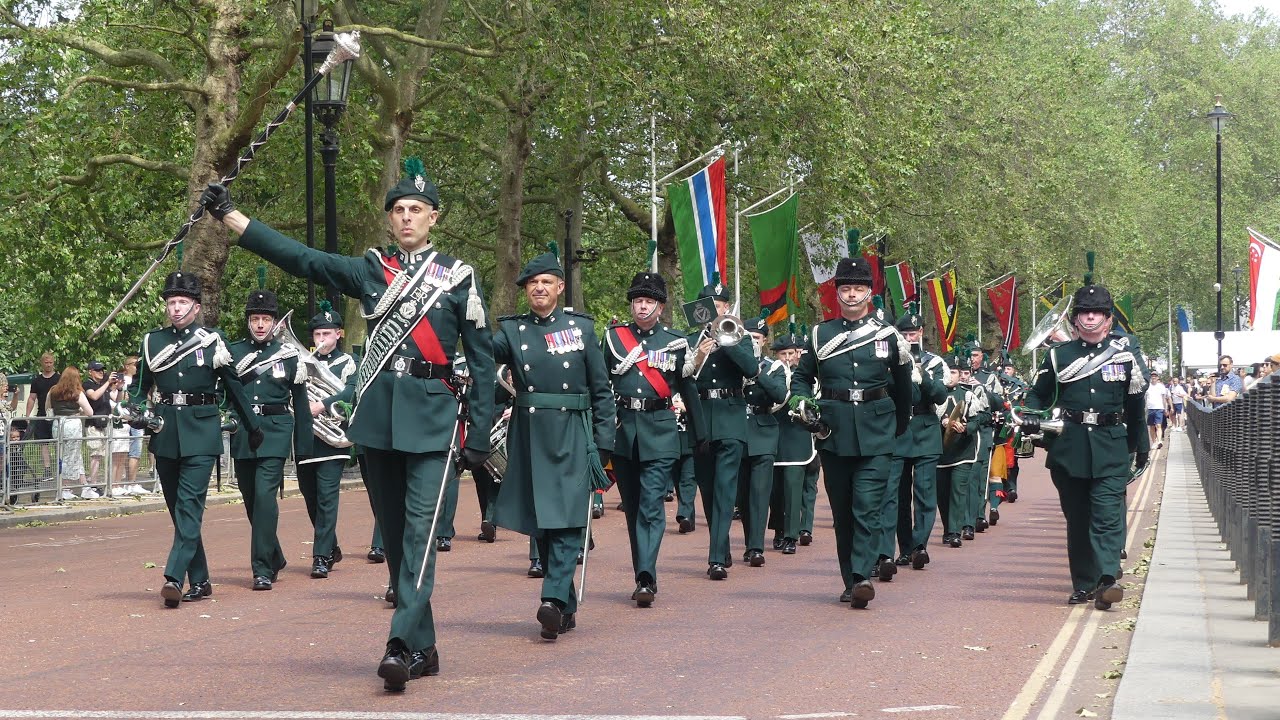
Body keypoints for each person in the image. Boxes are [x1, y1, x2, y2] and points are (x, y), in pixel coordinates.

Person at [200, 158, 495, 693]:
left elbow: (479, 360)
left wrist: (479, 429)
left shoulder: (458, 277)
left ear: (434, 217)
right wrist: (232, 219)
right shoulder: (370, 271)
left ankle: (400, 645)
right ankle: (425, 646)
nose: (406, 218)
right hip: (378, 420)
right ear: (390, 220)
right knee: (397, 534)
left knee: (422, 532)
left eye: (416, 210)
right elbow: (303, 259)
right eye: (398, 211)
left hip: (432, 420)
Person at [490, 248, 615, 639]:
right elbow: (481, 360)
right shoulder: (511, 330)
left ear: (560, 287)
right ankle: (565, 605)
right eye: (532, 283)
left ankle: (552, 599)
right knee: (541, 522)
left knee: (564, 519)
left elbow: (601, 389)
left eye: (546, 282)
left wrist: (604, 440)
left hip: (572, 433)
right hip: (528, 433)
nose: (539, 289)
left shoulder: (582, 329)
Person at [132, 271, 262, 608]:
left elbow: (234, 386)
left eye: (182, 302)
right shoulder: (152, 342)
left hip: (203, 433)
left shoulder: (212, 340)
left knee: (189, 506)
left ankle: (175, 576)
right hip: (166, 433)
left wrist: (250, 424)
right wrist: (133, 408)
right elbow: (140, 387)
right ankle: (201, 580)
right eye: (171, 302)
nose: (175, 308)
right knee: (179, 512)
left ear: (196, 306)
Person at [789, 257, 913, 608]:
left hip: (877, 430)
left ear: (870, 293)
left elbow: (904, 388)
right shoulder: (820, 334)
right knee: (843, 511)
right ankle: (849, 579)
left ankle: (862, 576)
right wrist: (800, 400)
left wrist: (898, 426)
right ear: (837, 292)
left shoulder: (887, 335)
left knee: (867, 508)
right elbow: (802, 376)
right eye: (846, 288)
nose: (852, 294)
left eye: (859, 288)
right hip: (834, 430)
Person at [1023, 280, 1148, 609]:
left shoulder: (1124, 355)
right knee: (1078, 520)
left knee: (1107, 515)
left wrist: (1138, 446)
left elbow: (1136, 404)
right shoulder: (1058, 355)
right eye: (1084, 312)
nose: (1090, 318)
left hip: (1111, 444)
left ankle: (1108, 577)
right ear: (1075, 319)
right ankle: (1084, 583)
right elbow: (1038, 393)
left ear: (1108, 319)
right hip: (1070, 447)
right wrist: (1031, 414)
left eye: (1097, 312)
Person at [602, 271, 704, 607]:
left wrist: (701, 434)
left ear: (660, 307)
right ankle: (642, 571)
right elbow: (601, 385)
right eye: (637, 300)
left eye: (648, 301)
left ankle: (646, 575)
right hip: (624, 432)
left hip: (660, 430)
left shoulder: (675, 342)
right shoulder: (614, 339)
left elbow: (688, 388)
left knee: (650, 505)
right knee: (633, 508)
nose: (642, 306)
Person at [227, 288, 312, 591]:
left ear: (274, 323)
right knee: (251, 501)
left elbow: (300, 404)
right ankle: (274, 555)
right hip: (243, 434)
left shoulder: (289, 357)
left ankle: (261, 569)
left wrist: (303, 445)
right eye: (255, 318)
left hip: (275, 431)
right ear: (248, 321)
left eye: (265, 319)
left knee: (265, 498)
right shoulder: (233, 352)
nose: (260, 324)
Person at [685, 278, 759, 581]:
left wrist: (726, 342)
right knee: (707, 486)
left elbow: (752, 369)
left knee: (726, 488)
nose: (715, 311)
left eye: (719, 306)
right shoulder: (690, 340)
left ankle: (715, 557)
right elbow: (684, 377)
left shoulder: (739, 337)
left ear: (726, 308)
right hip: (701, 416)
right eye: (709, 307)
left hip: (730, 417)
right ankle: (723, 544)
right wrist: (700, 353)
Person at [881, 307, 949, 573]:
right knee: (893, 495)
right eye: (905, 333)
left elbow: (940, 396)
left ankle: (919, 546)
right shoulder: (889, 360)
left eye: (914, 332)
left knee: (924, 493)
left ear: (921, 333)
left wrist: (923, 378)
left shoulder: (934, 362)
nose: (910, 337)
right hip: (898, 429)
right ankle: (891, 551)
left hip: (925, 429)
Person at [296, 301, 357, 580]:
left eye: (327, 334)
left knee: (327, 500)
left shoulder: (348, 363)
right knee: (310, 499)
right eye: (318, 335)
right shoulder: (303, 363)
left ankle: (320, 558)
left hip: (333, 438)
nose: (321, 340)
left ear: (338, 335)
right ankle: (331, 547)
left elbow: (353, 391)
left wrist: (324, 403)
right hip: (307, 438)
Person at [736, 316, 787, 568]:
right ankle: (749, 542)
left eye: (756, 338)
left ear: (764, 340)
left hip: (764, 431)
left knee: (759, 492)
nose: (753, 342)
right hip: (738, 432)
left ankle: (756, 547)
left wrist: (756, 373)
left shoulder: (774, 367)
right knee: (743, 494)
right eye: (748, 338)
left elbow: (780, 394)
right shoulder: (732, 364)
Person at [767, 329, 815, 555]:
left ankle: (791, 535)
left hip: (797, 436)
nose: (788, 358)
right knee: (775, 490)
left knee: (793, 488)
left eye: (791, 353)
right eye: (783, 354)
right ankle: (778, 529)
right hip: (774, 434)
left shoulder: (806, 377)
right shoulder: (771, 372)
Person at [936, 358, 990, 548]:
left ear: (960, 375)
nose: (950, 376)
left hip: (963, 451)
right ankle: (946, 529)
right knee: (942, 494)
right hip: (939, 452)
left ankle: (955, 532)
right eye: (947, 372)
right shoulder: (936, 394)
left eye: (954, 372)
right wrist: (941, 423)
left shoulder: (967, 395)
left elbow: (982, 417)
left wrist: (966, 427)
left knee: (958, 491)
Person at [49, 366, 93, 499]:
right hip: (72, 424)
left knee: (68, 455)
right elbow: (90, 412)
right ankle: (65, 488)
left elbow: (48, 408)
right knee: (70, 456)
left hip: (57, 424)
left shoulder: (53, 391)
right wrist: (79, 410)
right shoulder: (77, 393)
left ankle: (84, 485)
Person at [82, 361, 116, 491]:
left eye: (102, 370)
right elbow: (94, 396)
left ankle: (103, 483)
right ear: (90, 371)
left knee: (103, 455)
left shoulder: (103, 385)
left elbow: (115, 400)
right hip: (93, 425)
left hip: (105, 424)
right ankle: (93, 484)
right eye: (97, 370)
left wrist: (118, 387)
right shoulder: (87, 384)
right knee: (95, 455)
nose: (101, 372)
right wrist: (107, 383)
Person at [26, 352, 59, 481]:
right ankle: (47, 470)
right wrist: (28, 415)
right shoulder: (37, 380)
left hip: (56, 415)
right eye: (46, 362)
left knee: (58, 442)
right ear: (42, 364)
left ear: (53, 363)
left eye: (51, 362)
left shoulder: (59, 378)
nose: (49, 365)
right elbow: (31, 398)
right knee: (43, 443)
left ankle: (60, 468)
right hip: (42, 415)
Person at [1144, 373, 1171, 450]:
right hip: (1150, 408)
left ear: (1157, 377)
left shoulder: (1161, 387)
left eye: (1155, 376)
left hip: (1159, 408)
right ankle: (1154, 442)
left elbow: (1164, 398)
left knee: (1158, 425)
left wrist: (1165, 408)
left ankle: (1159, 441)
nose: (1154, 377)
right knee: (1152, 426)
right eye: (1152, 376)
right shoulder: (1147, 386)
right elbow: (1145, 398)